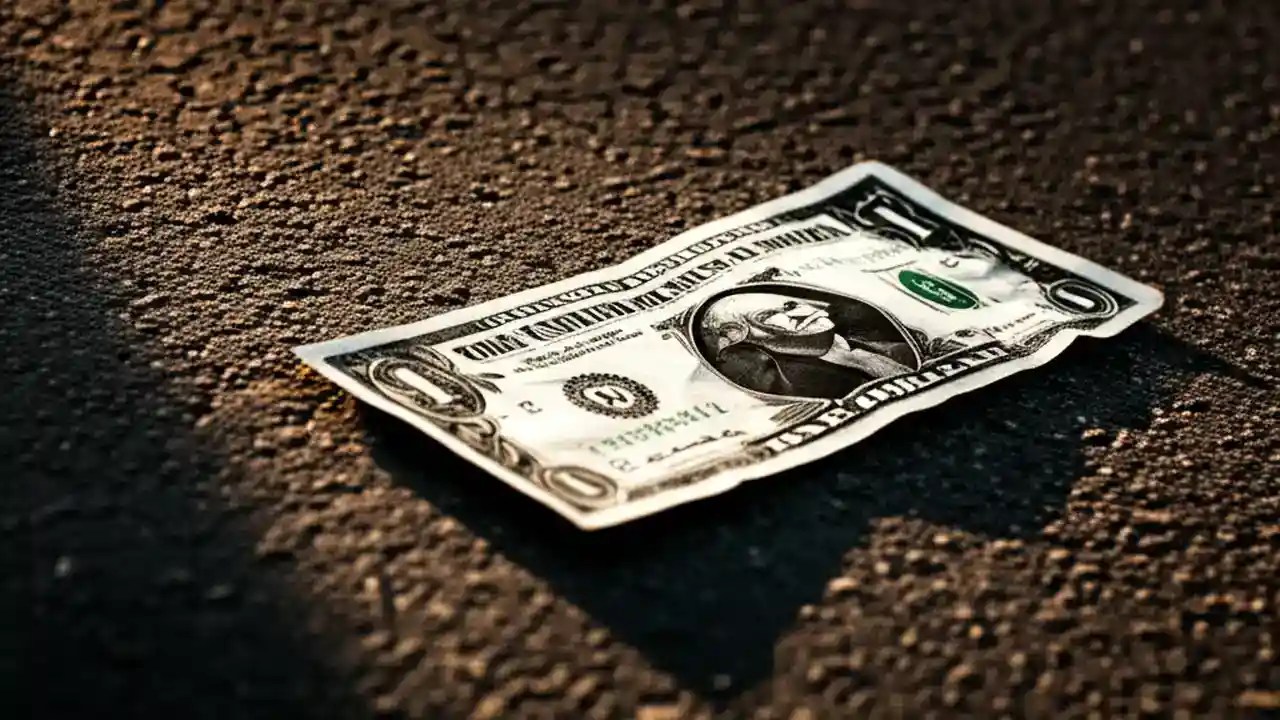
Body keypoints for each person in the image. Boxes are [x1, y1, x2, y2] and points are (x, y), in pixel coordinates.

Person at [698, 290, 915, 398]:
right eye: (766, 316)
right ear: (736, 335)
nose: (800, 312)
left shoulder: (873, 332)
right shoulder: (796, 383)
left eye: (791, 305)